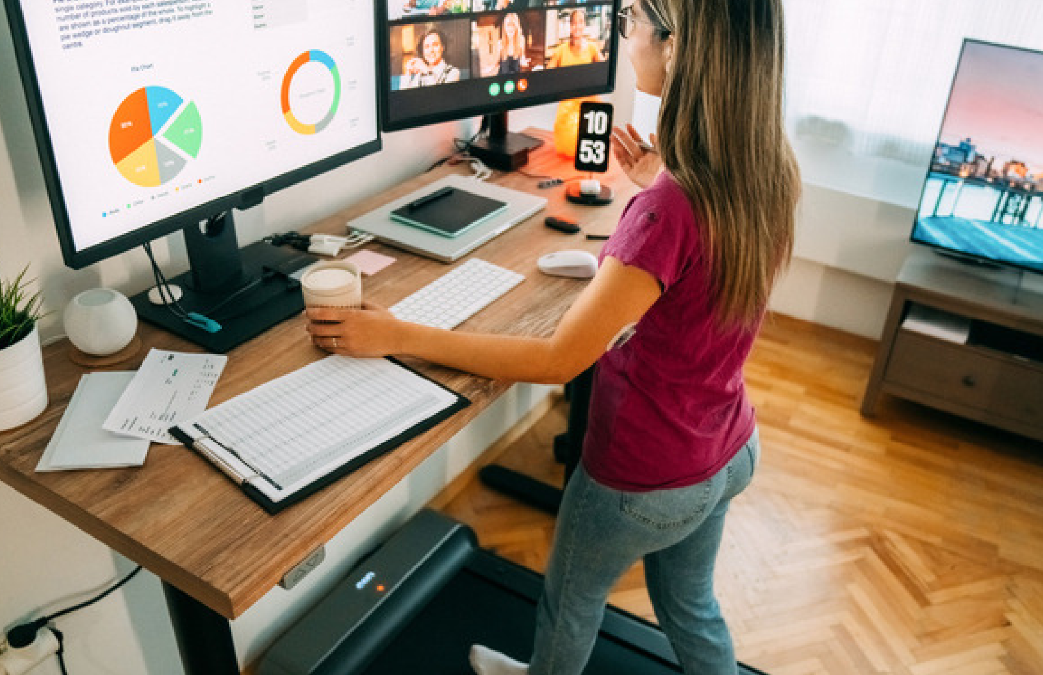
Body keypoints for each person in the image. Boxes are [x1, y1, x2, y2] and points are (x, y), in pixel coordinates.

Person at [307, 0, 799, 672]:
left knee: (569, 602)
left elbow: (558, 358)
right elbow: (702, 262)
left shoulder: (668, 211)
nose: (624, 34)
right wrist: (656, 183)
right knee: (691, 606)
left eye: (630, 21)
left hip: (642, 476)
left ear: (678, 46)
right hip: (728, 447)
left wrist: (396, 332)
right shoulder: (766, 174)